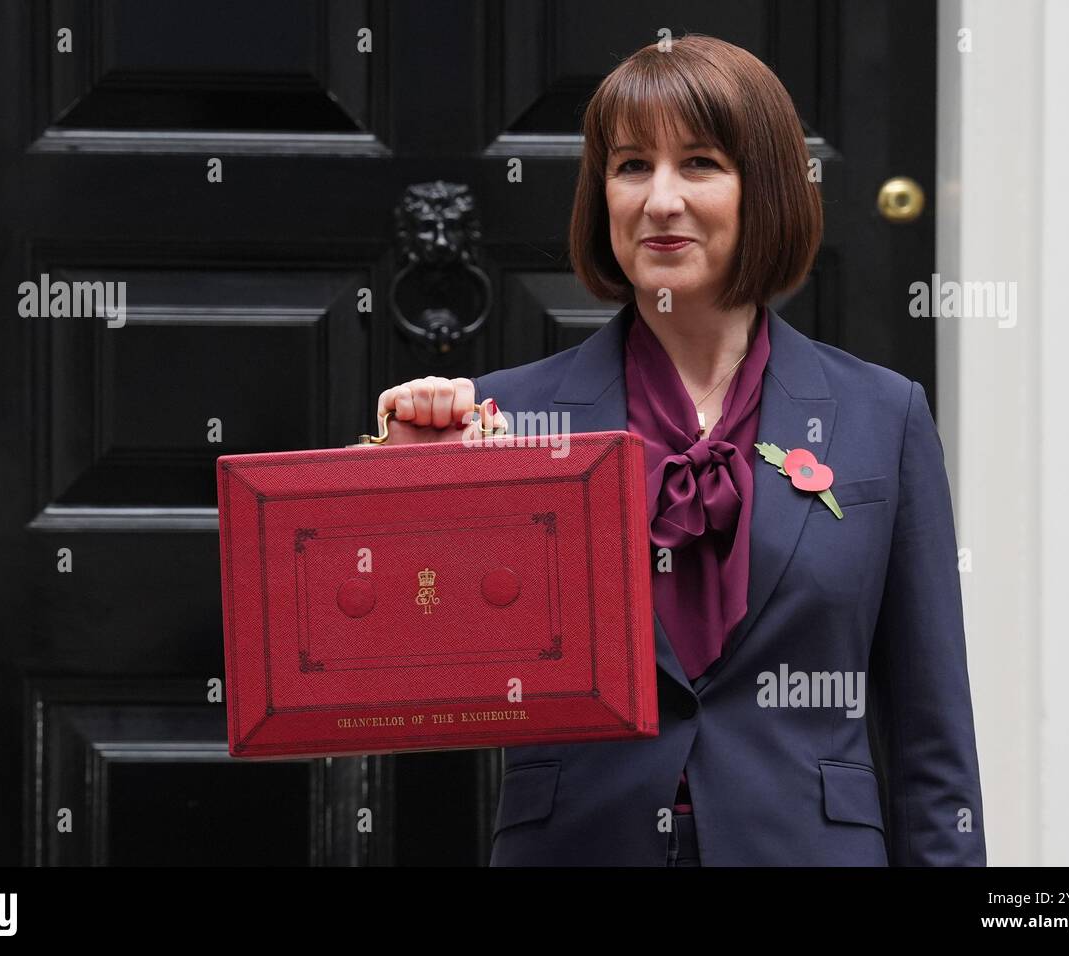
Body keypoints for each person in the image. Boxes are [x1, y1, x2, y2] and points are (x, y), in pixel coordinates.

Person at [374, 34, 986, 866]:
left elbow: (931, 730)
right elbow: (409, 683)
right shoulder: (506, 416)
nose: (660, 199)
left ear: (763, 190)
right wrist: (412, 484)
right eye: (631, 167)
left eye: (699, 163)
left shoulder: (884, 415)